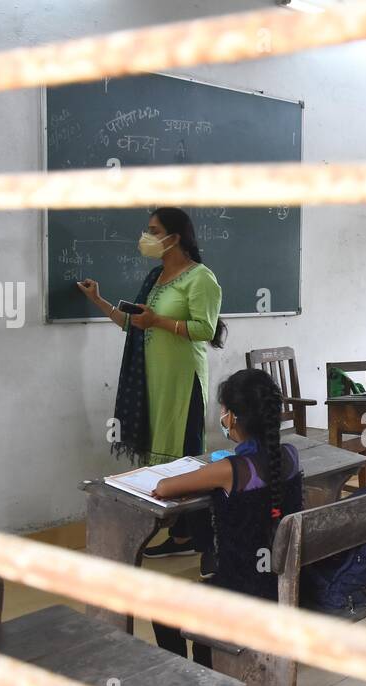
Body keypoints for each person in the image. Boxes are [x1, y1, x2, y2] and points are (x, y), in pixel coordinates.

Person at [77, 206, 222, 568]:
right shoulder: (156, 276)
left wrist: (158, 320)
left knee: (186, 458)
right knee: (160, 456)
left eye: (154, 230)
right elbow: (133, 324)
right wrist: (99, 300)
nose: (147, 236)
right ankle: (180, 534)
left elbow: (204, 329)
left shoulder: (200, 278)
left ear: (176, 236)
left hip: (181, 378)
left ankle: (206, 543)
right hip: (150, 379)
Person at [149, 368, 305, 663]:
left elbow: (164, 486)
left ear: (232, 417)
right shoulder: (290, 455)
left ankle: (192, 681)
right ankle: (206, 668)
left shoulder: (229, 470)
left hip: (241, 591)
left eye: (223, 411)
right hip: (283, 585)